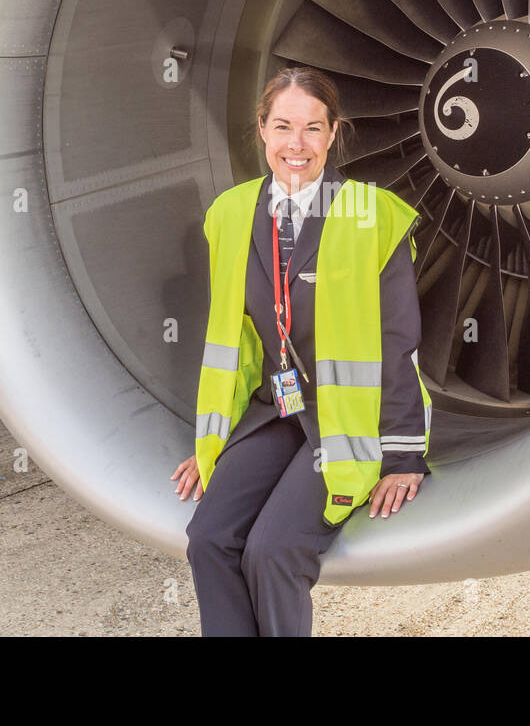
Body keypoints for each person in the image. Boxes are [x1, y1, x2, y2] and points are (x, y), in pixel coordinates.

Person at [169, 65, 433, 637]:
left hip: (342, 424)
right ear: (262, 129)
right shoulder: (231, 215)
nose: (297, 144)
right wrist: (215, 445)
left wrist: (404, 454)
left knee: (274, 551)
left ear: (334, 133)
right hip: (274, 411)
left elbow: (397, 343)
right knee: (208, 539)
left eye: (313, 128)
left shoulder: (373, 216)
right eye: (284, 126)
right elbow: (234, 343)